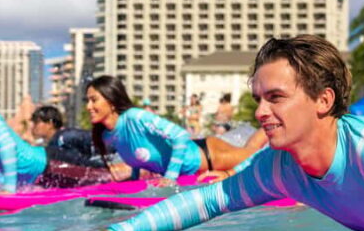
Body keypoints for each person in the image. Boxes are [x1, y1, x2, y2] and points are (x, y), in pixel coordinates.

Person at [73, 35, 364, 231]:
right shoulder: (280, 171)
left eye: (276, 98)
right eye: (258, 99)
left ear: (323, 100)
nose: (261, 112)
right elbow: (207, 202)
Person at [0, 73, 112, 193]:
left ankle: (136, 171)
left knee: (111, 177)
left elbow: (6, 144)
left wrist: (9, 188)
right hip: (41, 174)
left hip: (50, 165)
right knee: (107, 176)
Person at [87, 75, 266, 185]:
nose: (89, 106)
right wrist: (132, 182)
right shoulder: (108, 135)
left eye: (94, 100)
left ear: (111, 100)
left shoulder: (135, 117)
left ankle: (271, 129)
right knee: (249, 150)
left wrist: (170, 177)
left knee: (257, 159)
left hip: (208, 157)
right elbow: (136, 158)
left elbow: (180, 135)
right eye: (87, 100)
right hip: (196, 164)